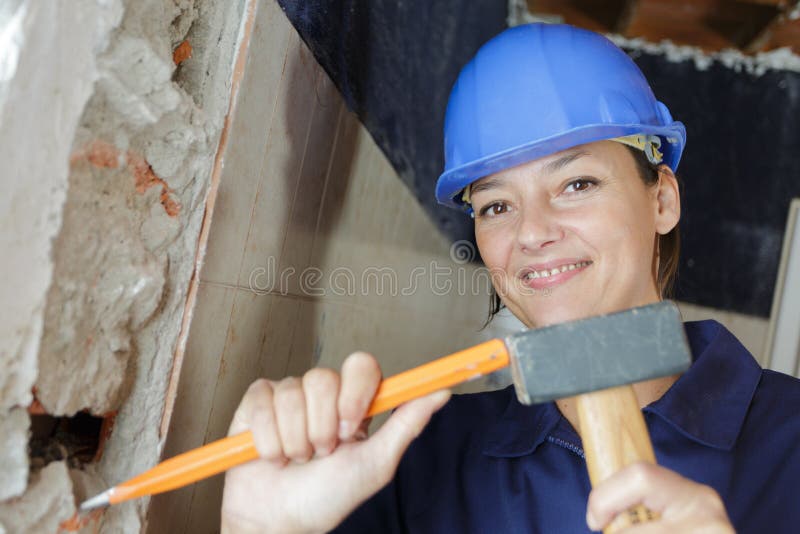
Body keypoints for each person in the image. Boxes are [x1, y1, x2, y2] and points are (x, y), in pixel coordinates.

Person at [220, 24, 800, 533]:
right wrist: (263, 529)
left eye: (577, 185)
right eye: (497, 206)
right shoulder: (422, 457)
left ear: (663, 200)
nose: (532, 232)